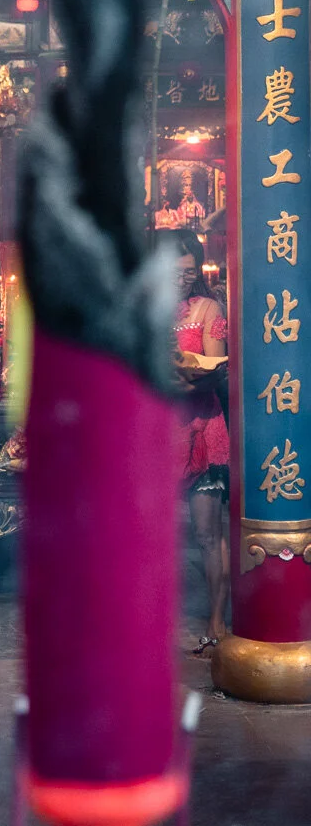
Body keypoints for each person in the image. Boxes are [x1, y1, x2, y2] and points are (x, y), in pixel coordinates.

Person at [169, 230, 229, 653]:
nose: (184, 279)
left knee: (207, 533)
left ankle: (215, 622)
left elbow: (212, 368)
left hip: (200, 428)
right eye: (176, 272)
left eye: (191, 272)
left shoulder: (208, 308)